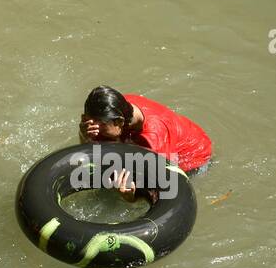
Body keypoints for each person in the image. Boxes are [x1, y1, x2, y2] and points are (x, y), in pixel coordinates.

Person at [79, 85, 212, 201]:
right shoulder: (115, 107)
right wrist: (84, 135)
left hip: (194, 156)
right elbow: (92, 152)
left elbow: (165, 186)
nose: (95, 131)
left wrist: (133, 198)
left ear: (119, 122)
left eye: (100, 127)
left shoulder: (154, 137)